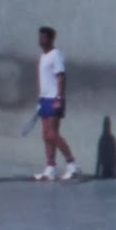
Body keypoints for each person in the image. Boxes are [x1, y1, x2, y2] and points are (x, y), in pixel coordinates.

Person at [34, 26, 80, 181]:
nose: (40, 40)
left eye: (43, 37)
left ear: (51, 39)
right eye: (39, 37)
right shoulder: (42, 56)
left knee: (53, 134)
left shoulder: (56, 55)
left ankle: (72, 165)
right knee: (46, 135)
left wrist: (59, 98)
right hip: (44, 99)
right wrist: (40, 99)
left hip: (55, 99)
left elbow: (61, 77)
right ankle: (50, 168)